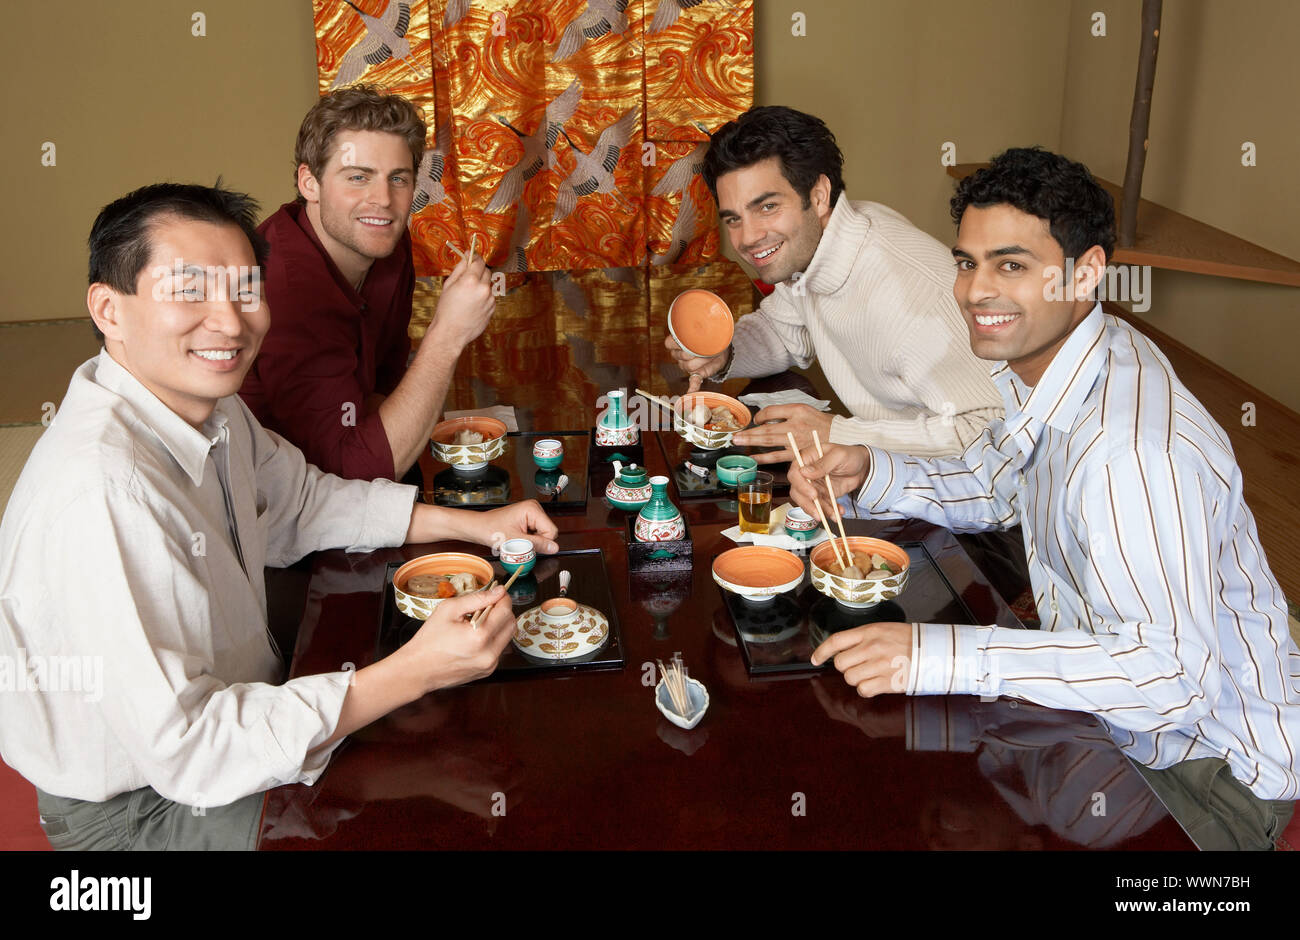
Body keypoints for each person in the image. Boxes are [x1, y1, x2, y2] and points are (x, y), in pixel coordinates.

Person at [0, 183, 557, 850]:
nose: (231, 323)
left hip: (230, 721)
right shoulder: (102, 492)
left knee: (447, 742)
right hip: (142, 808)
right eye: (189, 290)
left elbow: (304, 503)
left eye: (244, 288)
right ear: (108, 309)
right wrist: (417, 668)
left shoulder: (209, 407)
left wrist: (475, 525)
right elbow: (191, 753)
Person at [793, 147, 1299, 849]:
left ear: (1086, 272)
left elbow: (1168, 679)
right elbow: (1001, 482)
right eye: (967, 263)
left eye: (1012, 265)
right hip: (1122, 731)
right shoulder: (1069, 362)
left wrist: (939, 654)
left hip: (1211, 777)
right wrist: (871, 470)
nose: (973, 291)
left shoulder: (1129, 453)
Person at [663, 106, 1003, 463]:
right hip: (885, 471)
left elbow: (992, 430)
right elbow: (786, 330)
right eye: (734, 218)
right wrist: (726, 353)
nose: (747, 238)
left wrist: (837, 432)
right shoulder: (813, 247)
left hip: (960, 495)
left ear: (819, 195)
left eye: (767, 207)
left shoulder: (912, 296)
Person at [239, 86, 495, 482]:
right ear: (309, 183)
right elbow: (354, 472)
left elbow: (383, 385)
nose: (383, 200)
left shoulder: (386, 242)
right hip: (281, 502)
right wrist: (449, 333)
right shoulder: (283, 289)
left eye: (399, 178)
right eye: (358, 177)